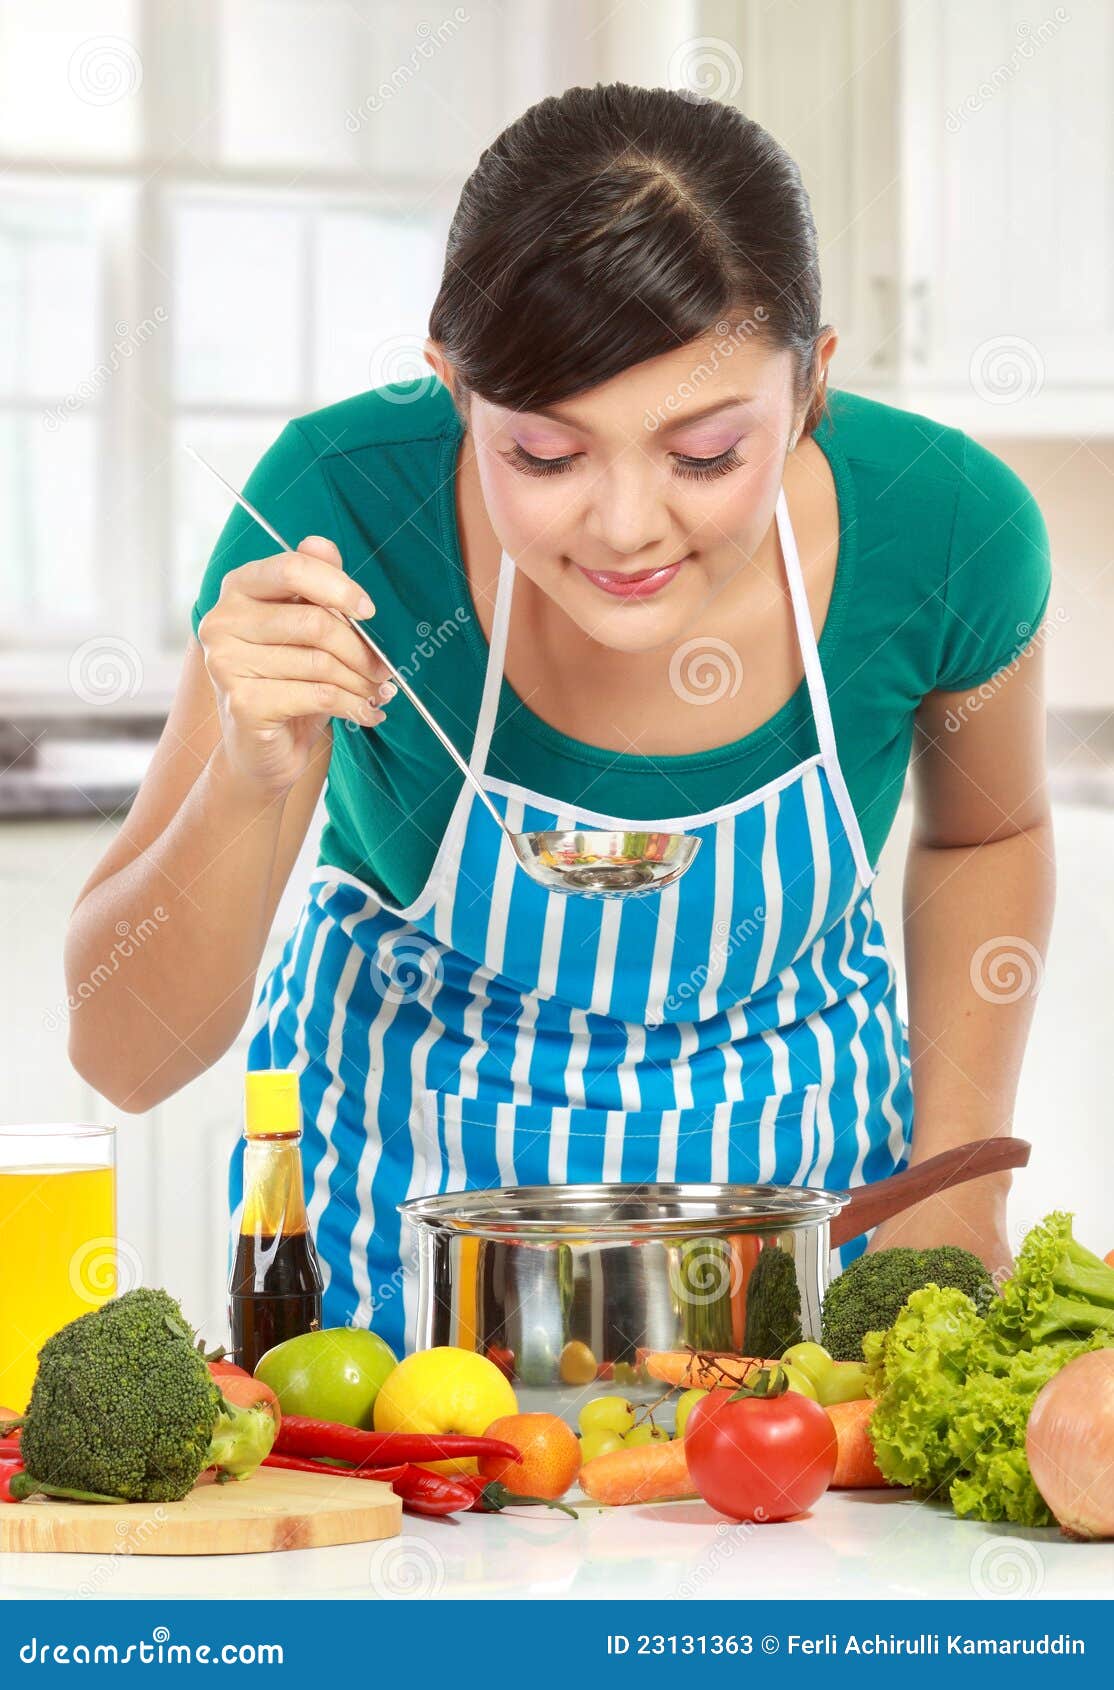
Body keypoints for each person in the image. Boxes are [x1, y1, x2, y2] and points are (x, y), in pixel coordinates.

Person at [67, 85, 1053, 1357]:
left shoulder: (947, 527)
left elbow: (986, 838)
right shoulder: (336, 516)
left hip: (809, 1270)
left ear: (811, 382)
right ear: (453, 389)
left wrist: (963, 1180)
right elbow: (125, 1059)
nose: (627, 525)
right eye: (543, 455)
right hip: (395, 1309)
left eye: (704, 454)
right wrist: (254, 779)